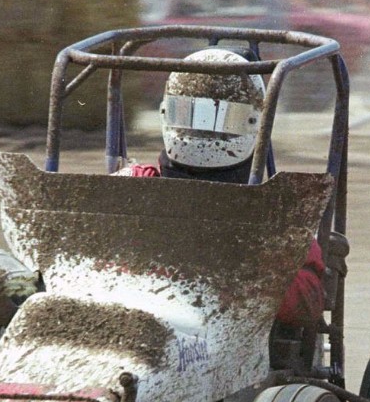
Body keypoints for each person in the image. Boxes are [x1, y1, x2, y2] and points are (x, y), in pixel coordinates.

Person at [122, 49, 328, 329]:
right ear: (168, 113)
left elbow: (307, 299)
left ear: (254, 122)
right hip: (132, 334)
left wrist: (225, 279)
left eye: (223, 119)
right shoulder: (133, 184)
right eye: (190, 115)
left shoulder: (273, 211)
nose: (204, 130)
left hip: (228, 343)